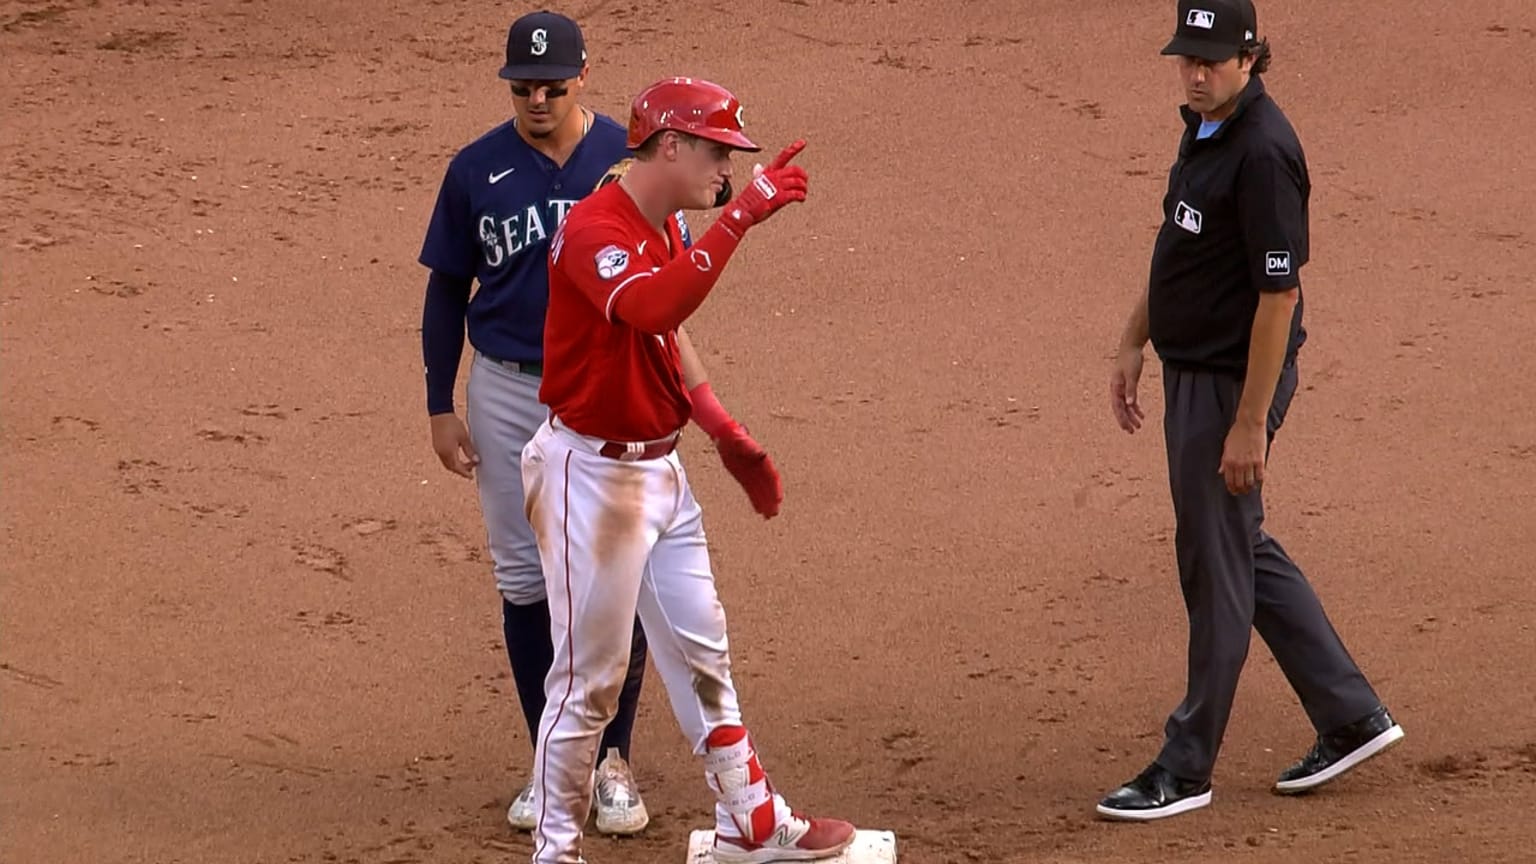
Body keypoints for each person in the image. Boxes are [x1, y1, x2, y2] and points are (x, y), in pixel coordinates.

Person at [521, 76, 858, 864]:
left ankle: (751, 820)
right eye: (718, 151)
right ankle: (557, 850)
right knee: (588, 683)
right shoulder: (595, 231)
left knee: (702, 646)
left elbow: (666, 344)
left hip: (658, 472)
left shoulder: (662, 221)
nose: (729, 170)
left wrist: (720, 427)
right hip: (590, 481)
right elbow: (652, 310)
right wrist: (741, 219)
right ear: (669, 145)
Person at [1097, 0, 1404, 822]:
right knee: (1237, 546)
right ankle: (1349, 715)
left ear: (1251, 56)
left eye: (1212, 60)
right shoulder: (1205, 127)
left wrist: (1246, 422)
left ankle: (1186, 765)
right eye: (1185, 59)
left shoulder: (1265, 153)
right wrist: (1134, 338)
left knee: (1214, 565)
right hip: (1193, 371)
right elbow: (1178, 245)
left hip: (1232, 382)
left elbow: (1278, 296)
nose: (1195, 74)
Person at [416, 10, 651, 836]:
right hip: (510, 390)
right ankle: (552, 761)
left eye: (553, 86)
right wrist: (441, 404)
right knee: (524, 580)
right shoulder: (476, 169)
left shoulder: (632, 160)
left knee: (616, 576)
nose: (538, 100)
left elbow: (667, 283)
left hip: (607, 385)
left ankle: (613, 760)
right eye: (524, 88)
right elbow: (447, 289)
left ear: (582, 78)